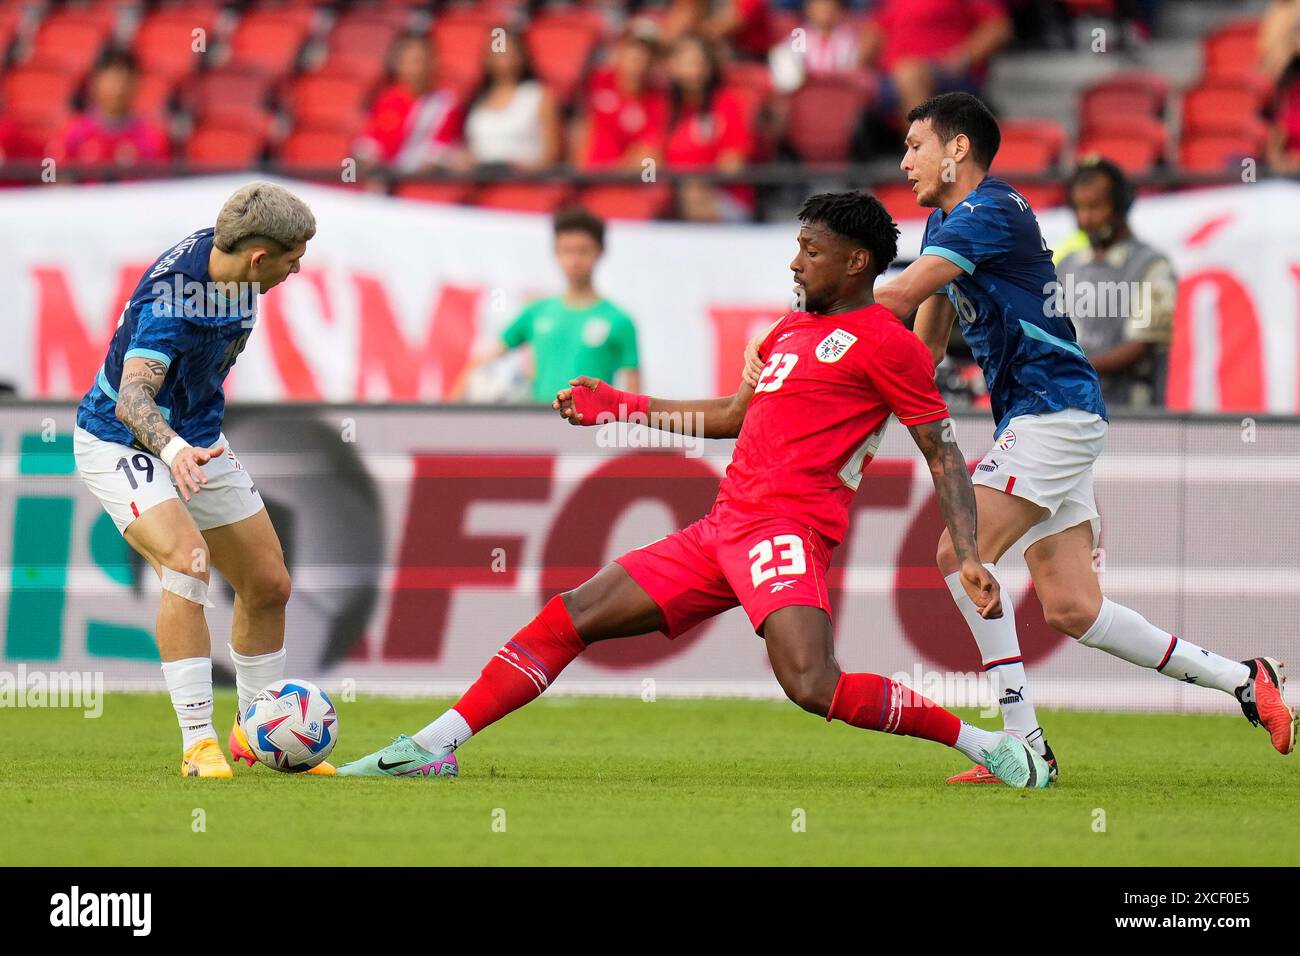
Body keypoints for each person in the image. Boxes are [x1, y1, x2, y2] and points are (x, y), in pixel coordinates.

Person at [340, 191, 1055, 790]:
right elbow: (730, 417)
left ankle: (983, 742)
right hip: (721, 529)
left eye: (810, 249)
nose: (794, 260)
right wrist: (620, 406)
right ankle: (435, 744)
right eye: (797, 246)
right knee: (573, 613)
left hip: (785, 532)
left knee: (813, 686)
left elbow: (944, 451)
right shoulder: (787, 332)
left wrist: (969, 552)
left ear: (856, 261)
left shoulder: (887, 344)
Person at [743, 92, 1294, 784]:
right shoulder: (950, 223)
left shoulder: (987, 211)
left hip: (1052, 409)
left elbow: (897, 295)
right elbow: (928, 341)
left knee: (958, 550)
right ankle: (1246, 679)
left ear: (958, 150)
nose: (906, 160)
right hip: (1042, 415)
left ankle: (1024, 740)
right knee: (1071, 606)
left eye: (917, 146)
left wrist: (789, 331)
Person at [72, 182, 332, 779]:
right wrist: (171, 447)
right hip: (123, 443)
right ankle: (198, 744)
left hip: (199, 441)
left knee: (268, 584)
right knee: (188, 566)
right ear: (259, 257)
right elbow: (132, 398)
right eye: (294, 257)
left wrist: (190, 443)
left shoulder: (234, 266)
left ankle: (256, 733)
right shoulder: (174, 303)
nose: (299, 266)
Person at [452, 207, 641, 403]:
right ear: (556, 252)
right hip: (542, 424)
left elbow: (635, 395)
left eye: (583, 251)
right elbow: (480, 363)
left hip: (591, 426)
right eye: (567, 250)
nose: (574, 260)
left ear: (600, 252)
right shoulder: (536, 312)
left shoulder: (619, 320)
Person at [1056, 157, 1176, 408]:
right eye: (1079, 208)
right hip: (1070, 413)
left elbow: (1143, 345)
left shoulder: (1153, 266)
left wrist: (1071, 368)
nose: (1085, 218)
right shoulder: (1066, 265)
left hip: (1130, 415)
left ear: (1121, 206)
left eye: (1095, 207)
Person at [860, 0, 1010, 125]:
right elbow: (875, 32)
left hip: (946, 73)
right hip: (891, 76)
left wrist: (963, 58)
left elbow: (998, 27)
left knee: (909, 74)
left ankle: (926, 156)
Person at [663, 34, 756, 222]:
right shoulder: (664, 107)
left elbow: (733, 163)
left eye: (699, 63)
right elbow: (651, 159)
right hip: (673, 198)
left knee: (694, 195)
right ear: (673, 66)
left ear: (709, 68)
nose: (694, 70)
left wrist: (696, 183)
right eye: (687, 62)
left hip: (724, 198)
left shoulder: (727, 103)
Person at [353, 33, 466, 172]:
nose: (416, 68)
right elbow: (368, 145)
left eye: (420, 60)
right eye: (411, 61)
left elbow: (439, 153)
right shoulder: (386, 100)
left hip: (419, 182)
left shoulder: (445, 104)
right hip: (383, 178)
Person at [462, 27, 561, 170]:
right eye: (497, 52)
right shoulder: (476, 99)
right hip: (480, 181)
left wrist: (522, 169)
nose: (503, 58)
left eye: (509, 52)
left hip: (523, 183)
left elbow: (552, 154)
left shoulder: (537, 96)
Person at [574, 21, 668, 170]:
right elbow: (582, 127)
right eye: (633, 56)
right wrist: (580, 172)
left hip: (628, 180)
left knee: (650, 164)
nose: (637, 63)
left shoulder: (658, 100)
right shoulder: (598, 80)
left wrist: (613, 174)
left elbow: (649, 153)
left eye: (644, 57)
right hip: (591, 178)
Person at [55, 49, 170, 169]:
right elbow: (60, 181)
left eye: (125, 79)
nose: (118, 87)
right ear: (95, 81)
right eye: (112, 79)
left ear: (137, 82)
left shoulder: (153, 140)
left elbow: (160, 184)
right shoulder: (74, 134)